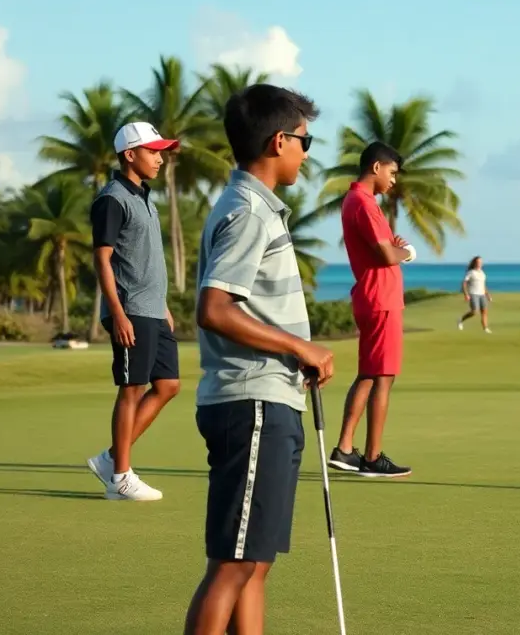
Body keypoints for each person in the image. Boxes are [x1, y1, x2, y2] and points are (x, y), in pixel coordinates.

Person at [184, 84, 335, 635]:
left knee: (255, 562)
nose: (306, 152)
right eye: (305, 140)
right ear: (278, 141)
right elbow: (214, 307)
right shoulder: (248, 211)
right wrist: (300, 347)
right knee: (234, 564)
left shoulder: (258, 209)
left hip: (270, 398)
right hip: (251, 399)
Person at [86, 122, 182, 501]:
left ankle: (111, 459)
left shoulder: (144, 196)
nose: (160, 159)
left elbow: (145, 259)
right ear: (130, 154)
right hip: (130, 310)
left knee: (168, 385)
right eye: (153, 151)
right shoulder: (112, 198)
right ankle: (121, 477)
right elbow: (103, 259)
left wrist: (163, 306)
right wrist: (118, 312)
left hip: (153, 310)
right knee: (131, 389)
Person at [327, 141, 414, 479]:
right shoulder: (363, 202)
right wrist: (407, 253)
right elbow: (384, 253)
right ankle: (372, 457)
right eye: (392, 173)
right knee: (383, 377)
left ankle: (345, 450)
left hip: (372, 296)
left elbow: (383, 248)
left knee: (368, 373)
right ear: (376, 167)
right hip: (381, 299)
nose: (394, 180)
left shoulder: (360, 201)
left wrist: (395, 250)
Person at [458, 256, 492, 333]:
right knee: (474, 312)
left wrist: (488, 295)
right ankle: (461, 319)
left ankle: (485, 328)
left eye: (480, 262)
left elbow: (483, 285)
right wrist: (466, 294)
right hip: (473, 294)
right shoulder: (471, 272)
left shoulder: (482, 273)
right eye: (478, 262)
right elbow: (464, 283)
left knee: (484, 312)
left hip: (482, 294)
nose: (479, 263)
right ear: (474, 263)